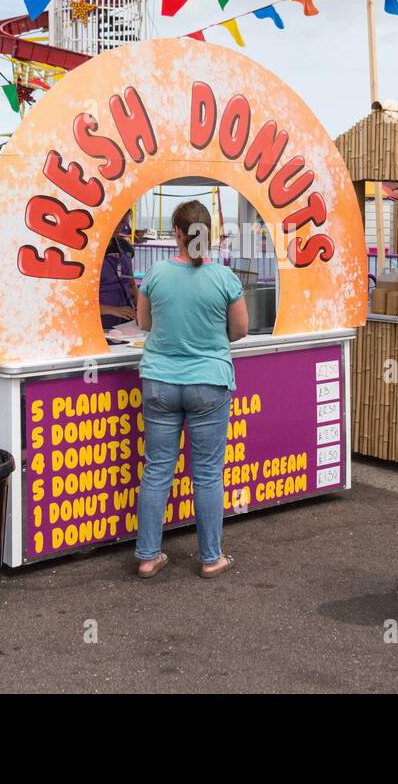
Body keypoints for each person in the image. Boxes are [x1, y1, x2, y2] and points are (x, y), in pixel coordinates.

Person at [133, 200, 249, 580]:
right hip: (209, 383)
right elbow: (240, 331)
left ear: (177, 234)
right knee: (207, 474)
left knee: (156, 471)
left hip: (160, 383)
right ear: (208, 233)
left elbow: (144, 323)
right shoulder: (224, 278)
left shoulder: (155, 274)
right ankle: (210, 557)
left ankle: (149, 557)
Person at [99, 212, 136, 329]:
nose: (120, 227)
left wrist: (141, 309)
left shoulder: (125, 247)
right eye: (118, 222)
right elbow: (82, 302)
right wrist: (113, 310)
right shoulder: (88, 249)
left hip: (126, 323)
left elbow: (131, 284)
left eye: (124, 222)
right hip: (101, 324)